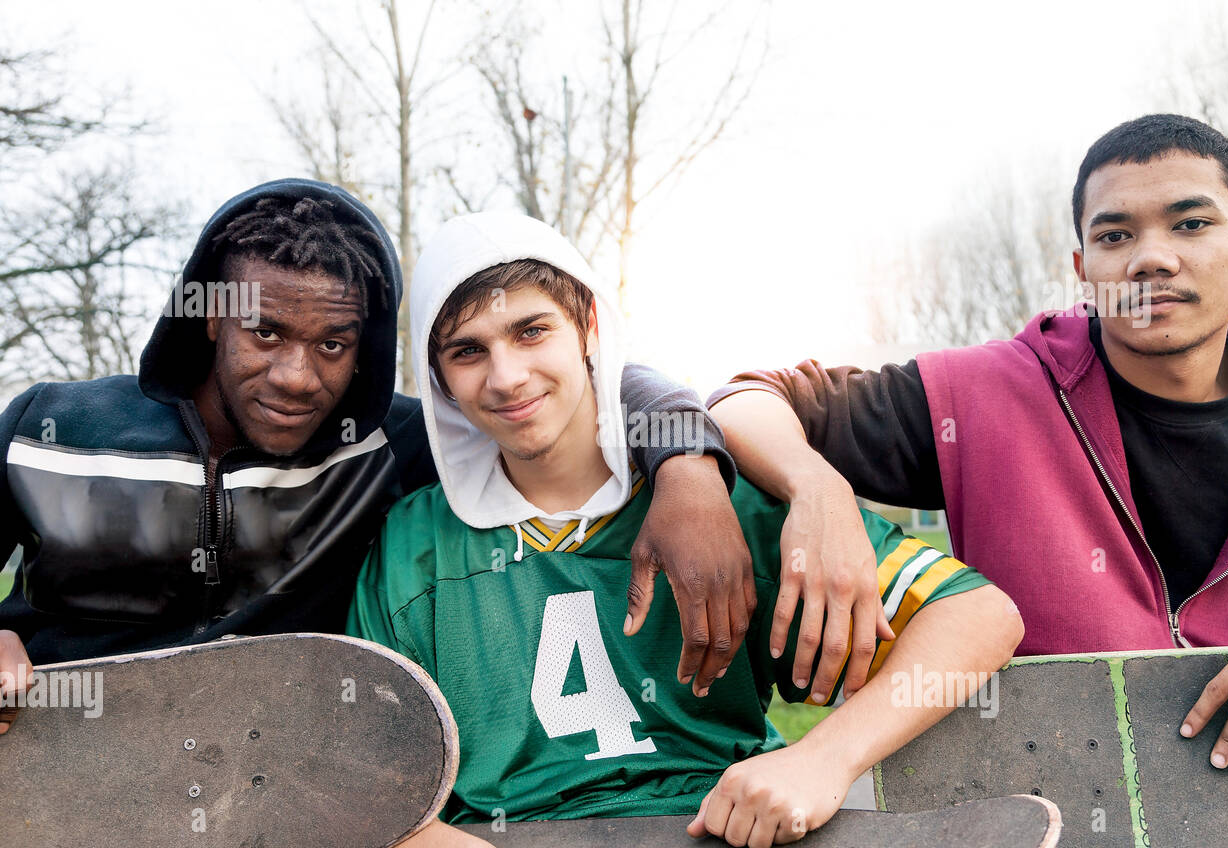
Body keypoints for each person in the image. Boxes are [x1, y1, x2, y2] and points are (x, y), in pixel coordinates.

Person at [346, 211, 1023, 848]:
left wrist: (823, 758)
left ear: (586, 324)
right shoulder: (412, 545)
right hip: (506, 846)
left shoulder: (726, 504)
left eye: (530, 332)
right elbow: (364, 778)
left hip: (722, 839)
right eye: (468, 351)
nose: (506, 376)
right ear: (436, 375)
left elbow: (978, 614)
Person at [0, 179, 757, 733]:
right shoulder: (51, 426)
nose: (298, 378)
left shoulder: (393, 443)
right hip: (53, 766)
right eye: (265, 333)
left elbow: (580, 390)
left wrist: (685, 463)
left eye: (332, 344)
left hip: (269, 792)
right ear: (207, 317)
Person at [708, 113, 1228, 776]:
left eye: (1190, 223)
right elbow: (746, 398)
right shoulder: (983, 396)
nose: (1151, 257)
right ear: (1083, 268)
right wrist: (816, 490)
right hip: (1057, 811)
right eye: (1115, 234)